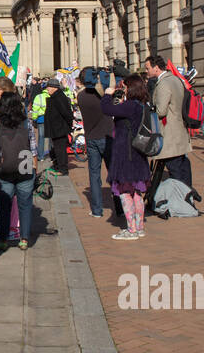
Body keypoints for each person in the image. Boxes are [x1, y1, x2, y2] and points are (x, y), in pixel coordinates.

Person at [101, 75, 151, 240]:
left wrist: (108, 94)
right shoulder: (142, 106)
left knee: (124, 190)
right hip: (138, 151)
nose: (124, 90)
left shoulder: (129, 106)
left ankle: (131, 229)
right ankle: (139, 227)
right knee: (137, 191)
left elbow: (107, 109)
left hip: (126, 152)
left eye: (126, 87)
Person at [0, 90, 37, 251]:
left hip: (4, 168)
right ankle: (24, 239)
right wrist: (34, 166)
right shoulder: (26, 122)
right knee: (25, 205)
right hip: (24, 165)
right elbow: (33, 147)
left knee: (4, 207)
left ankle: (3, 239)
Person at [147, 55, 193, 189]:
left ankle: (180, 201)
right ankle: (186, 198)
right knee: (182, 166)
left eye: (148, 68)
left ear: (156, 68)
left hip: (169, 133)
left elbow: (161, 111)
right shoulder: (176, 79)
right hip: (179, 130)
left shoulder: (164, 83)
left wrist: (150, 109)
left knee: (175, 171)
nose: (146, 71)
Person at [76, 67, 113, 218]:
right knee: (114, 173)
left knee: (94, 174)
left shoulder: (81, 96)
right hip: (107, 136)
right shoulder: (103, 96)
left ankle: (97, 210)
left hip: (91, 138)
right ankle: (120, 206)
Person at [43, 77, 73, 176]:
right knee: (57, 148)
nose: (47, 89)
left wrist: (68, 125)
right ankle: (58, 166)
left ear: (54, 87)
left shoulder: (59, 97)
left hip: (59, 128)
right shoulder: (55, 96)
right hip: (56, 128)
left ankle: (62, 169)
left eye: (48, 87)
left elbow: (66, 113)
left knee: (60, 149)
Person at [30, 81, 48, 161]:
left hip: (41, 119)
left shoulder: (39, 97)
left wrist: (34, 118)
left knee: (41, 137)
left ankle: (41, 156)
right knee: (51, 138)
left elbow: (35, 109)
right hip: (50, 118)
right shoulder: (51, 96)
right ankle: (52, 155)